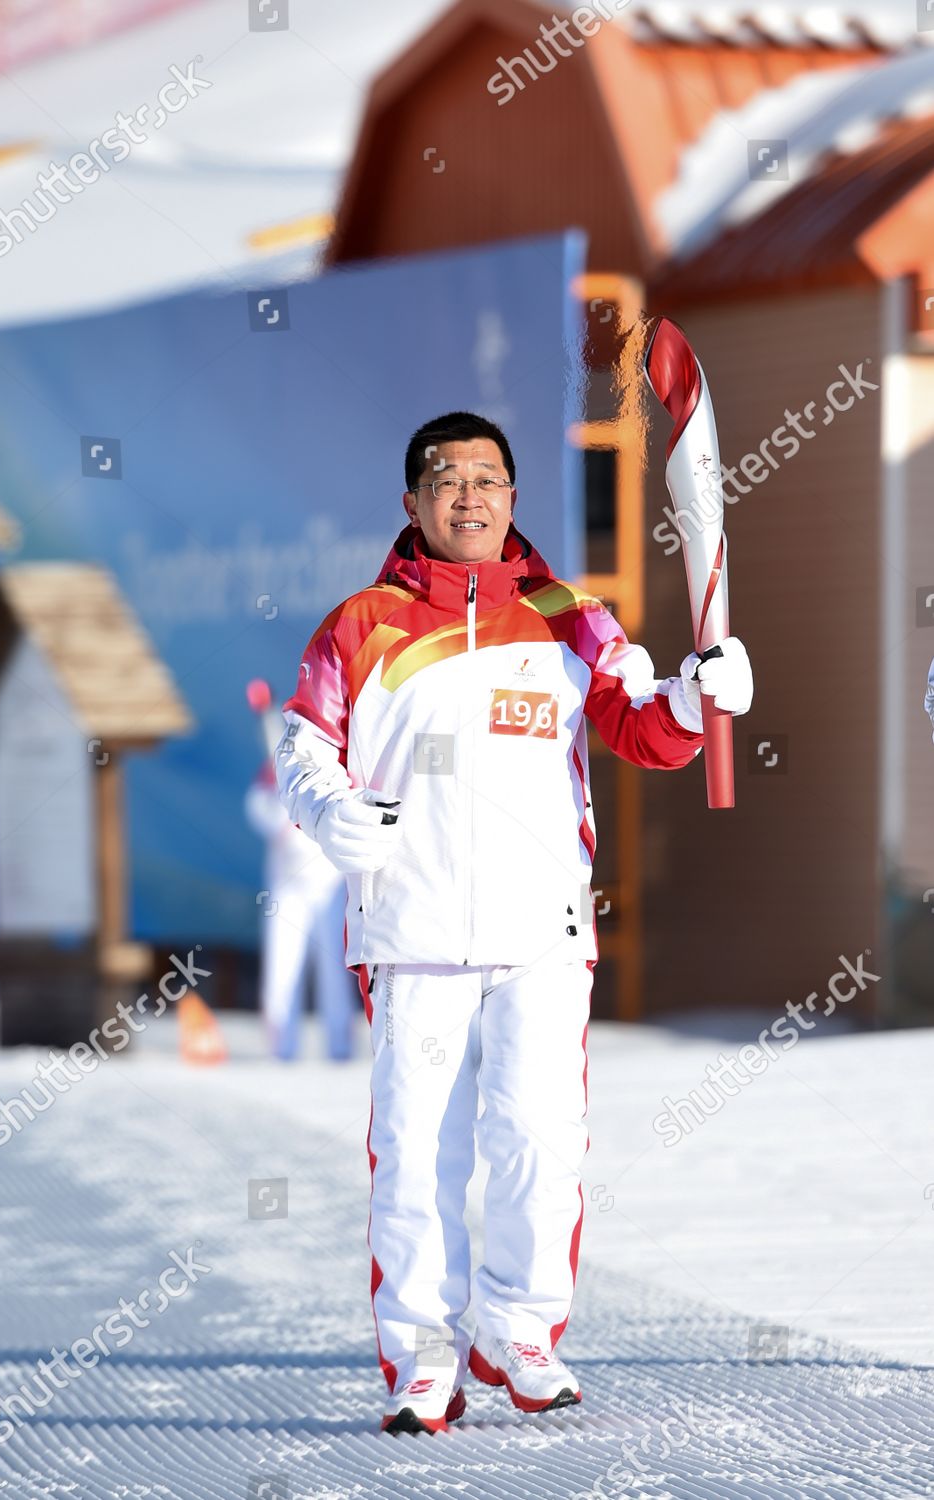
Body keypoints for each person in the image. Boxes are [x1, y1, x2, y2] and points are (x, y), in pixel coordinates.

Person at [275, 411, 753, 1435]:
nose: (469, 497)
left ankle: (519, 1330)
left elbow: (644, 727)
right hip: (412, 927)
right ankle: (419, 1357)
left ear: (513, 496)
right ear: (411, 503)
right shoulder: (362, 623)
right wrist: (328, 809)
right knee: (414, 1154)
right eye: (445, 481)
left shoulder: (570, 616)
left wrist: (698, 692)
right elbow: (304, 742)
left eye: (487, 479)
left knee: (541, 1139)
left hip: (542, 929)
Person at [245, 704, 355, 1062]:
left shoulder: (343, 761)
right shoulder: (277, 763)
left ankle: (339, 1046)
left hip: (329, 882)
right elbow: (258, 804)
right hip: (286, 883)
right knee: (282, 965)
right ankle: (282, 1046)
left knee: (334, 967)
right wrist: (278, 821)